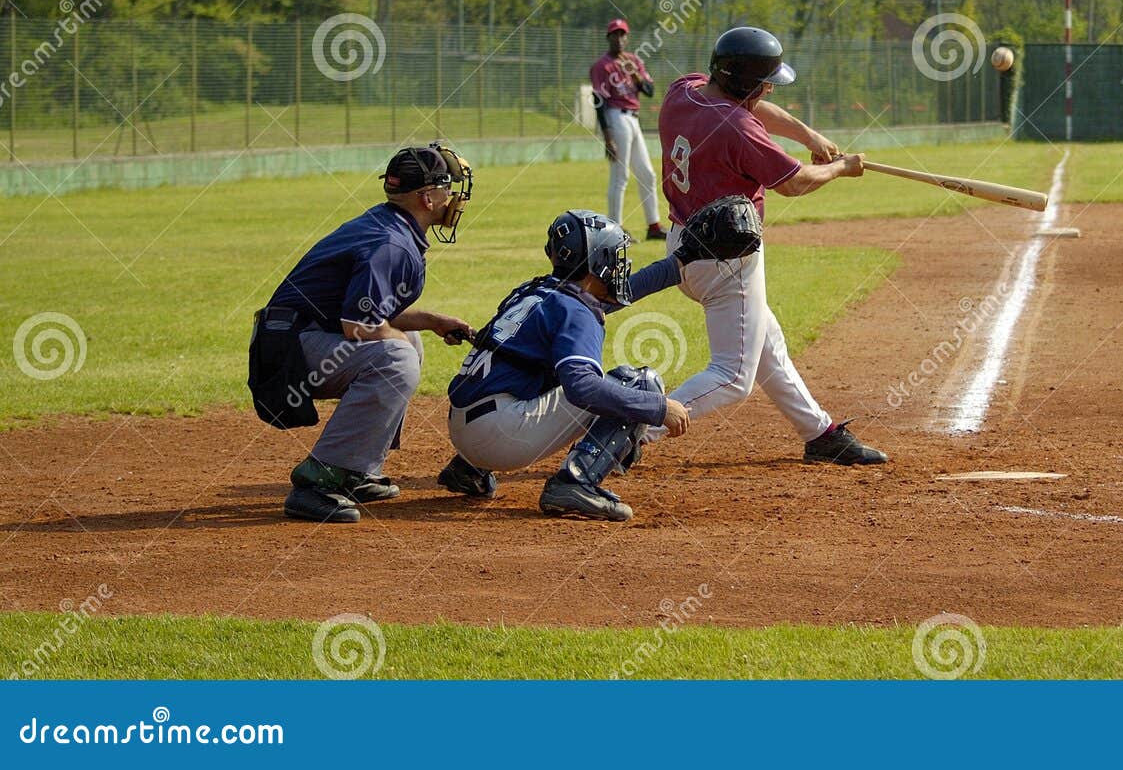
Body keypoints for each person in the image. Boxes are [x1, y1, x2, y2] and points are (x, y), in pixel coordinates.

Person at [654, 26, 888, 465]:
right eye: (763, 82)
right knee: (731, 375)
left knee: (767, 343)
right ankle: (631, 427)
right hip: (726, 261)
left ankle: (821, 433)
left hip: (682, 244)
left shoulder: (683, 91)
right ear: (747, 84)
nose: (767, 89)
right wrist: (840, 168)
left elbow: (757, 109)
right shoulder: (739, 129)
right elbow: (795, 183)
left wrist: (808, 136)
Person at [252, 143, 477, 524]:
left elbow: (370, 310)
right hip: (286, 352)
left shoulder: (391, 225)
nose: (454, 198)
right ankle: (319, 480)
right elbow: (357, 326)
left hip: (297, 337)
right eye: (448, 188)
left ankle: (356, 470)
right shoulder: (390, 243)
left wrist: (432, 321)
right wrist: (398, 339)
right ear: (426, 197)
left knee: (410, 343)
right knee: (397, 357)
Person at [435, 209, 694, 522]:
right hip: (501, 436)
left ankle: (469, 469)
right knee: (639, 383)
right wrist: (659, 407)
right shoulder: (577, 310)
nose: (620, 265)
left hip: (464, 427)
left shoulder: (538, 291)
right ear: (597, 263)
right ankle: (576, 482)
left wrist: (681, 261)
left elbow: (615, 296)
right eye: (614, 256)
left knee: (553, 366)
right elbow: (581, 388)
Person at [589, 18, 665, 240]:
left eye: (623, 34)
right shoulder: (602, 66)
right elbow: (599, 102)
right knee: (620, 176)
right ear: (609, 38)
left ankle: (653, 226)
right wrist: (608, 137)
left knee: (647, 174)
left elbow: (649, 90)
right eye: (615, 34)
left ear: (627, 38)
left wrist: (636, 75)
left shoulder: (633, 61)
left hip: (633, 118)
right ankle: (615, 229)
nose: (619, 39)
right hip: (616, 117)